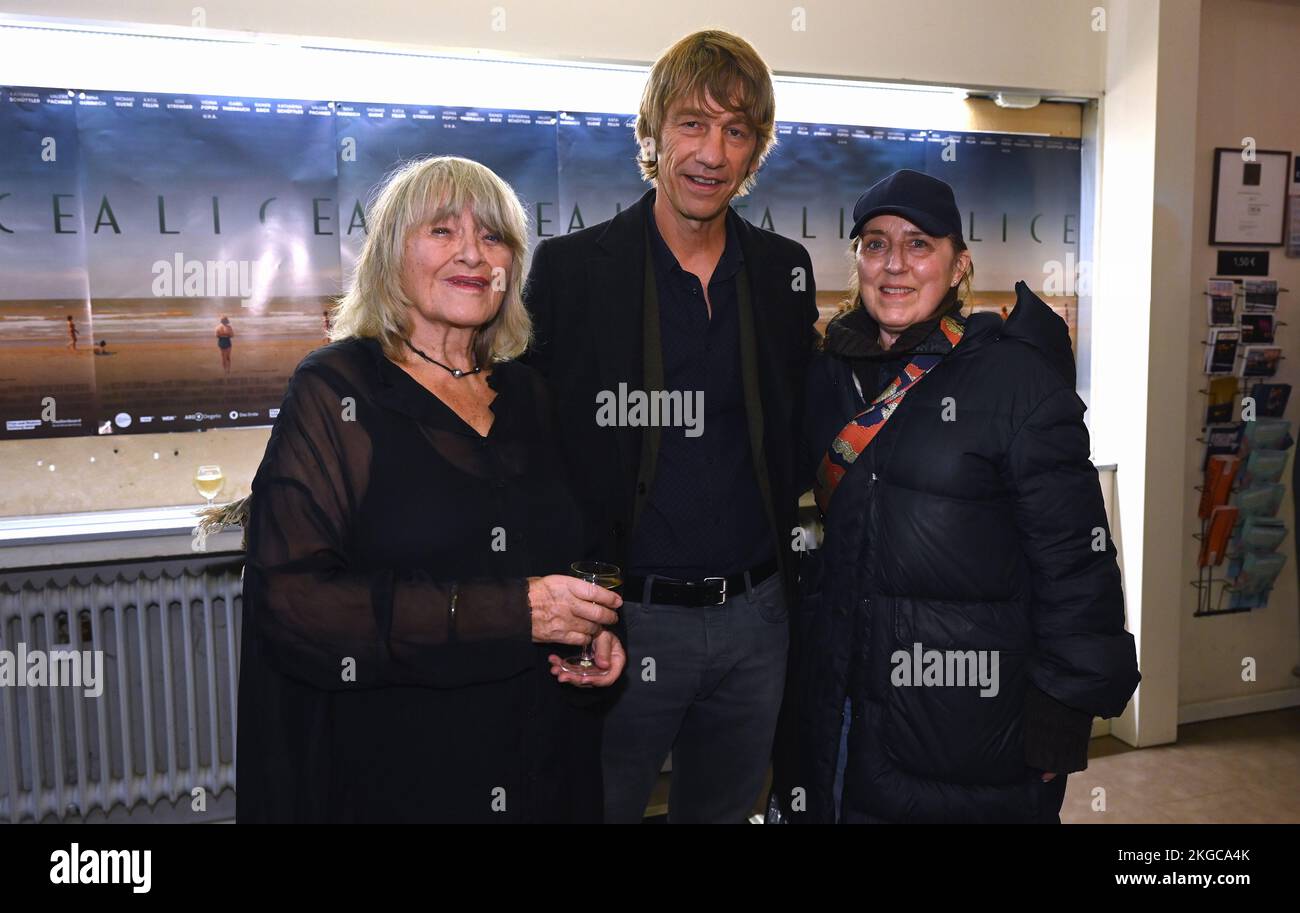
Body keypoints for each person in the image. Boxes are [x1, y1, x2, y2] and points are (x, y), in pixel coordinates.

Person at [235, 155, 626, 823]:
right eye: (442, 231)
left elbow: (564, 553)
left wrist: (590, 636)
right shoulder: (337, 390)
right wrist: (517, 613)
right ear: (391, 256)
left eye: (493, 236)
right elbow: (295, 603)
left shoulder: (529, 391)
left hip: (540, 758)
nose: (473, 252)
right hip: (398, 768)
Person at [522, 29, 819, 823]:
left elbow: (801, 422)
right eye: (692, 123)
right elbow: (531, 454)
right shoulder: (574, 272)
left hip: (757, 619)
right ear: (652, 133)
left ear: (756, 149)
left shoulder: (784, 273)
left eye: (735, 130)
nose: (712, 152)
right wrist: (573, 603)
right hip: (625, 621)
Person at [787, 169, 1140, 823]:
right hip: (841, 706)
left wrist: (1065, 707)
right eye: (875, 243)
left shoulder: (1017, 382)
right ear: (856, 260)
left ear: (959, 266)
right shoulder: (829, 376)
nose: (894, 264)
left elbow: (1077, 561)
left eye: (919, 244)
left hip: (972, 719)